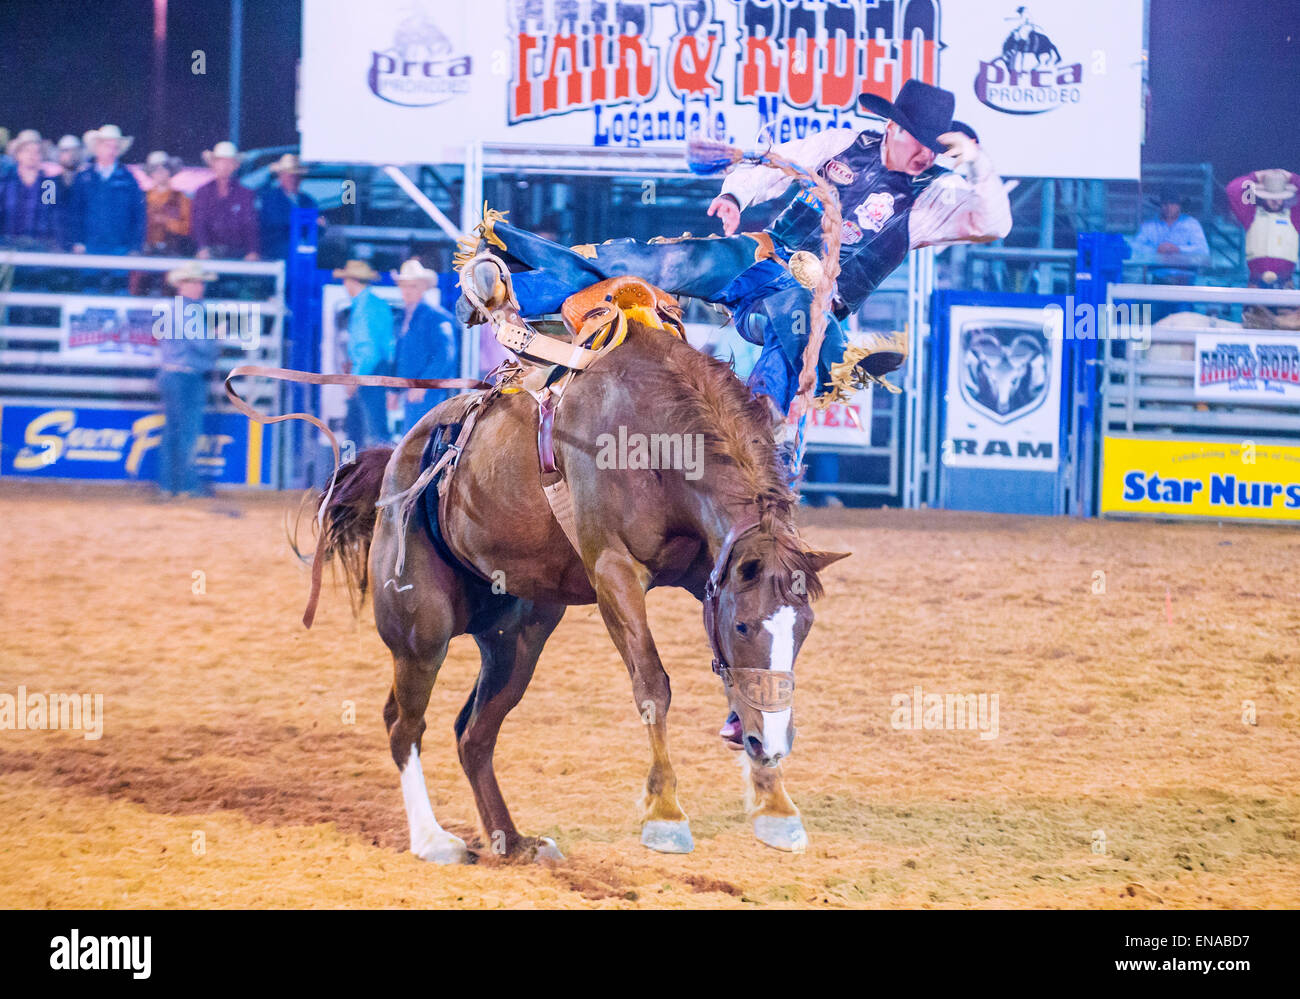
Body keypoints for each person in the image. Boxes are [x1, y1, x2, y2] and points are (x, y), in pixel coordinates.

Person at [456, 79, 1012, 422]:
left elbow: (994, 223)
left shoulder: (934, 198)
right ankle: (506, 287)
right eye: (924, 142)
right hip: (758, 256)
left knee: (798, 331)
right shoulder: (844, 143)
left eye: (939, 147)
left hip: (806, 301)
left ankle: (756, 425)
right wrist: (731, 195)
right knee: (645, 262)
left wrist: (979, 163)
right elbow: (772, 161)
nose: (928, 155)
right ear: (895, 127)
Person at [155, 262, 222, 498]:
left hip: (170, 374)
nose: (201, 287)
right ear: (185, 284)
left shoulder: (170, 308)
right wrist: (216, 337)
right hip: (186, 377)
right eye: (197, 282)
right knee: (187, 433)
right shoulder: (190, 310)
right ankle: (185, 486)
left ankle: (167, 485)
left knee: (173, 431)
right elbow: (203, 346)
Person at [390, 258, 458, 434]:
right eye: (404, 286)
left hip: (429, 393)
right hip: (412, 392)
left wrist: (424, 384)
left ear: (422, 288)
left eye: (412, 286)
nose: (406, 291)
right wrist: (395, 390)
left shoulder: (436, 317)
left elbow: (445, 355)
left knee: (422, 440)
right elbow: (401, 356)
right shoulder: (405, 316)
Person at [335, 259, 395, 446]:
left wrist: (355, 378)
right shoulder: (377, 303)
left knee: (366, 431)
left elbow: (367, 351)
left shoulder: (362, 308)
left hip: (369, 373)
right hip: (380, 370)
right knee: (377, 427)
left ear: (350, 281)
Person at [65, 124, 145, 255]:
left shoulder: (129, 179)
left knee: (118, 276)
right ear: (97, 148)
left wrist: (135, 247)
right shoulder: (83, 177)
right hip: (89, 246)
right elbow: (75, 212)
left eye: (115, 147)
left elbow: (138, 215)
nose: (112, 150)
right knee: (90, 275)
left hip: (120, 248)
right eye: (107, 146)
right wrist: (77, 241)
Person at [1225, 168, 1300, 289]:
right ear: (1263, 196)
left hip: (1285, 283)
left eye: (1279, 197)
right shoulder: (1250, 213)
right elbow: (1232, 190)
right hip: (1256, 282)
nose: (1275, 201)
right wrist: (1255, 176)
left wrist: (1291, 177)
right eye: (1271, 197)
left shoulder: (1295, 215)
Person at [192, 141, 259, 260]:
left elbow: (250, 226)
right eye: (220, 161)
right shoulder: (202, 192)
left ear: (235, 165)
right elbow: (198, 223)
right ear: (213, 164)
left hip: (238, 253)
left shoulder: (246, 193)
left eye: (229, 162)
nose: (224, 166)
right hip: (210, 253)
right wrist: (202, 248)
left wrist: (252, 251)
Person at [0, 130, 61, 249]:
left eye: (37, 152)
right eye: (27, 150)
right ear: (18, 154)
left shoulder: (48, 184)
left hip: (39, 246)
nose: (32, 155)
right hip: (7, 245)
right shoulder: (6, 181)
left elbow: (52, 215)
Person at [258, 153, 316, 260]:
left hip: (304, 250)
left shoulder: (308, 200)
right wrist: (304, 220)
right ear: (281, 176)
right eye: (289, 176)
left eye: (296, 176)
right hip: (277, 252)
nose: (293, 179)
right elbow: (274, 223)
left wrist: (321, 223)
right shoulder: (270, 197)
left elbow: (318, 224)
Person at [143, 151, 192, 255]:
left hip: (173, 253)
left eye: (164, 167)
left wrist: (166, 221)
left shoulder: (181, 198)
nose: (159, 171)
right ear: (150, 172)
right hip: (146, 253)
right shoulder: (142, 198)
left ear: (170, 171)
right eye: (155, 168)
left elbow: (188, 228)